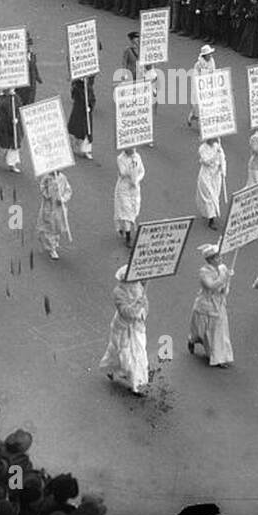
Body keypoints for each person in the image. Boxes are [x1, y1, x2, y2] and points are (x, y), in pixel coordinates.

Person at [98, 266, 149, 396]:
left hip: (137, 327)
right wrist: (137, 304)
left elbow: (145, 306)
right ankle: (116, 372)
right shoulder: (118, 292)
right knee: (122, 352)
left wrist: (143, 311)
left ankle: (135, 383)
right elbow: (125, 312)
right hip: (123, 327)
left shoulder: (139, 287)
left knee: (138, 352)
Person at [187, 244, 234, 368]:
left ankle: (218, 357)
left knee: (218, 332)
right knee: (202, 329)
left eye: (219, 256)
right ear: (210, 260)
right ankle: (192, 339)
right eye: (216, 257)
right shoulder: (204, 272)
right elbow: (211, 286)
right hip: (206, 305)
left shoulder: (223, 268)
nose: (220, 258)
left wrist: (227, 281)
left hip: (219, 305)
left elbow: (224, 290)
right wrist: (224, 278)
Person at [37, 170, 72, 260]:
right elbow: (42, 187)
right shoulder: (47, 178)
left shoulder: (62, 178)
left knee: (57, 227)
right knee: (49, 226)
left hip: (59, 208)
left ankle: (54, 243)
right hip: (48, 206)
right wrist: (47, 195)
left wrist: (63, 199)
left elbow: (68, 190)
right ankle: (52, 247)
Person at [113, 147, 144, 247]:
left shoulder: (137, 156)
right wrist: (132, 165)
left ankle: (124, 227)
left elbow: (142, 171)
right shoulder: (120, 158)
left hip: (134, 189)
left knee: (134, 210)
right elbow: (123, 172)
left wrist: (137, 180)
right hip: (124, 188)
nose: (133, 149)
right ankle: (128, 236)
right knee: (126, 211)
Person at [196, 137, 227, 230]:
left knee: (215, 195)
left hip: (216, 175)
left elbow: (223, 159)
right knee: (209, 196)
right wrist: (215, 154)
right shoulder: (202, 148)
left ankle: (210, 214)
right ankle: (211, 219)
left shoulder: (218, 146)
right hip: (206, 175)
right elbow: (206, 161)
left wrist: (223, 170)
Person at [185, 44, 216, 127]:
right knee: (199, 106)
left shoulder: (212, 62)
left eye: (210, 53)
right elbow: (195, 77)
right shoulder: (198, 64)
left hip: (209, 85)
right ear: (205, 55)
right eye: (209, 54)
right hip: (200, 87)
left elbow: (214, 72)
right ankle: (200, 123)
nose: (210, 55)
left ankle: (193, 116)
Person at [67, 76, 95, 158]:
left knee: (87, 129)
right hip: (79, 108)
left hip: (86, 109)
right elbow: (74, 95)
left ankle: (86, 149)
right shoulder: (77, 85)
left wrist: (90, 104)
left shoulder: (88, 87)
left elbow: (91, 96)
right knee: (77, 127)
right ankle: (75, 146)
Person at [17, 34, 42, 106]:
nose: (30, 47)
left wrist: (37, 76)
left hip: (32, 83)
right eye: (28, 45)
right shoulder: (19, 57)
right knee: (22, 102)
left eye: (30, 45)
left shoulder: (31, 54)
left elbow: (34, 66)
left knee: (31, 101)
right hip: (23, 86)